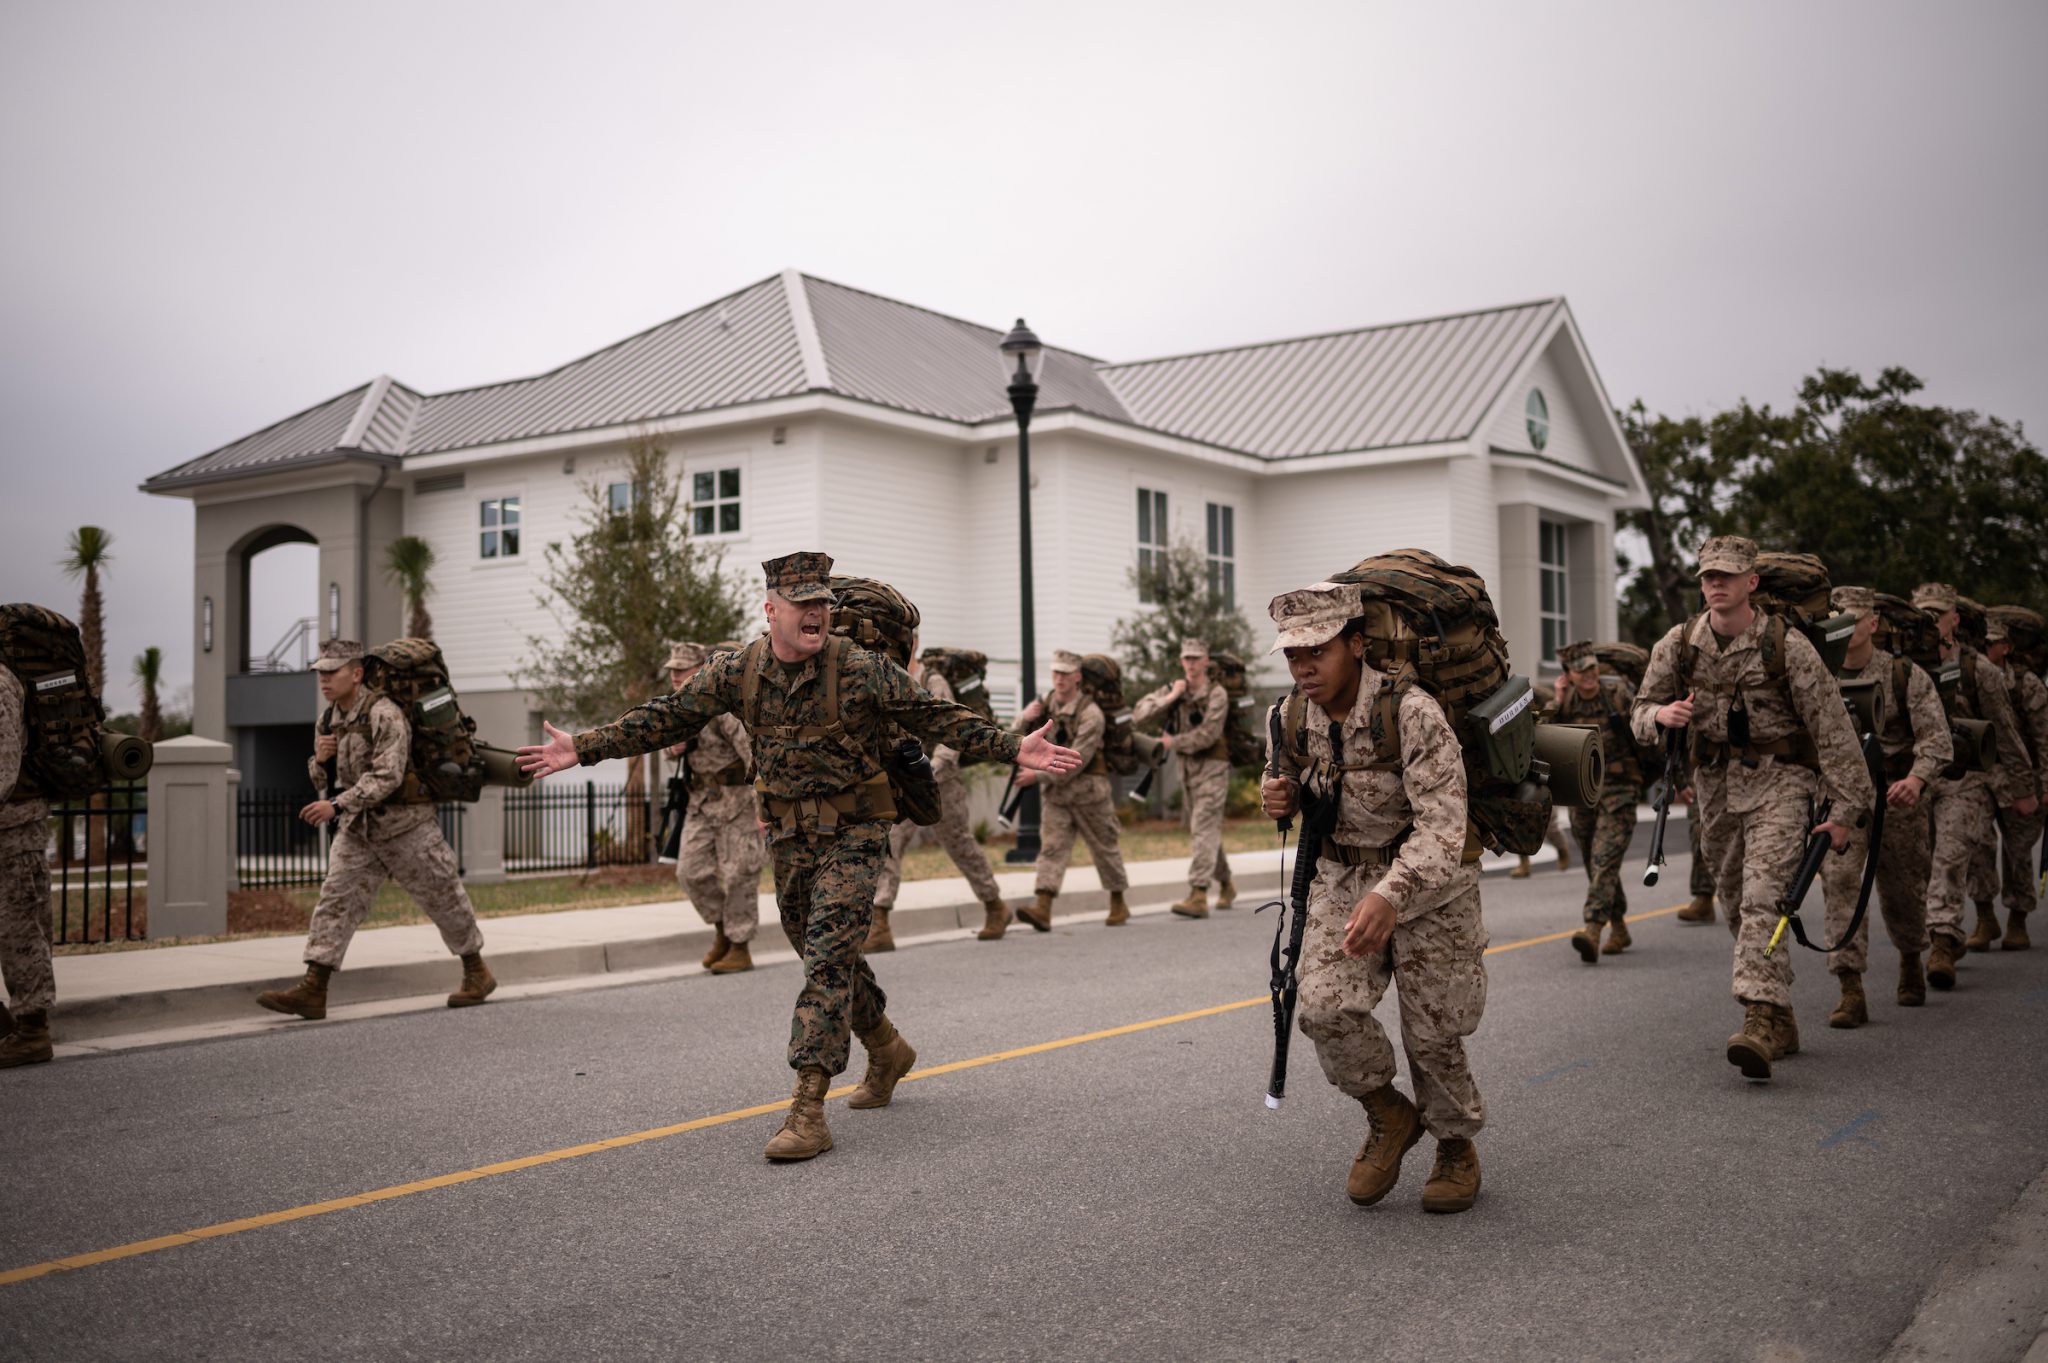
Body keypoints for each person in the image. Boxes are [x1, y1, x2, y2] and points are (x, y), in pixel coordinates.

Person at [516, 553, 1081, 1163]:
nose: (816, 612)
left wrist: (1012, 746)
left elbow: (938, 717)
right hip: (788, 835)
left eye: (822, 602)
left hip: (857, 831)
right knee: (818, 950)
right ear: (771, 610)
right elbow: (667, 717)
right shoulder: (738, 671)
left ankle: (808, 1108)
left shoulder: (860, 668)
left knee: (827, 958)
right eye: (802, 603)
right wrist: (585, 747)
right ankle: (887, 1048)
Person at [1262, 582, 1487, 1214]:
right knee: (1321, 1007)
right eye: (1293, 655)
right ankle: (1389, 1114)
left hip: (1430, 889)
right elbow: (1286, 779)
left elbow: (1444, 829)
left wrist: (1391, 895)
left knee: (1433, 1033)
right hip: (1341, 878)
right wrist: (1277, 797)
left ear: (1357, 646)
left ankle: (1455, 1144)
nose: (1304, 667)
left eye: (1318, 651)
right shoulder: (1287, 716)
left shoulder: (1412, 713)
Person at [1631, 538, 1872, 1080]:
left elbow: (1834, 733)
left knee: (1765, 896)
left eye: (1728, 575)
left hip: (1780, 781)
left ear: (1751, 582)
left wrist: (1844, 811)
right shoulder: (1679, 644)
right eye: (1708, 576)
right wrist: (1659, 717)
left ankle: (1759, 1017)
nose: (1717, 583)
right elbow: (1639, 711)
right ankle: (1781, 1017)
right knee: (1735, 900)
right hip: (1714, 787)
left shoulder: (1786, 646)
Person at [257, 639, 496, 1021]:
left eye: (332, 671)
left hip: (407, 825)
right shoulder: (328, 720)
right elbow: (320, 779)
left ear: (356, 674)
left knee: (444, 898)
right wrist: (320, 759)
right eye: (320, 672)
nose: (324, 679)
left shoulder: (386, 714)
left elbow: (388, 776)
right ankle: (314, 988)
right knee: (335, 900)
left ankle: (476, 971)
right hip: (359, 829)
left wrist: (337, 805)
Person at [1817, 587, 1950, 1024]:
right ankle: (1850, 988)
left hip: (1896, 793)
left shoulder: (1903, 674)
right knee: (1839, 881)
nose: (1843, 627)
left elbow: (1937, 738)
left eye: (1852, 619)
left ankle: (1911, 958)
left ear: (1873, 624)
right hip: (1842, 797)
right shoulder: (1818, 673)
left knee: (1903, 888)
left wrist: (1917, 778)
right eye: (1835, 619)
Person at [1913, 585, 2035, 985]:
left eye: (1938, 613)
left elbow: (2007, 732)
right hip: (1917, 779)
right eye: (1923, 613)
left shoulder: (1978, 669)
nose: (1930, 620)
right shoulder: (1905, 665)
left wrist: (2024, 787)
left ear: (1955, 619)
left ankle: (1943, 942)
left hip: (1966, 779)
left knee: (1951, 857)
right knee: (1920, 864)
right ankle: (1935, 935)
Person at [869, 637, 1009, 947]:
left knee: (959, 845)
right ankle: (880, 922)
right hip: (903, 781)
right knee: (890, 842)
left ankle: (994, 905)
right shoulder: (887, 678)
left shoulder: (933, 682)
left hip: (941, 782)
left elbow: (951, 731)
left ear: (915, 641)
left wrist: (932, 769)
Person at [664, 640, 765, 975]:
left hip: (736, 802)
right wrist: (672, 749)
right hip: (701, 803)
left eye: (683, 669)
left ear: (701, 669)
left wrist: (763, 805)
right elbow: (664, 746)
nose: (676, 675)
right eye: (673, 670)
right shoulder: (678, 708)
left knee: (739, 874)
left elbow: (753, 756)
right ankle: (723, 930)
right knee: (690, 872)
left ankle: (739, 946)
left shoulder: (722, 709)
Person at [1013, 650, 1131, 931]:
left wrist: (1036, 776)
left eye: (1065, 674)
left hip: (1090, 795)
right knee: (1051, 849)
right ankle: (1043, 907)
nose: (1059, 679)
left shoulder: (1092, 714)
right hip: (1058, 797)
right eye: (1056, 672)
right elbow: (1017, 738)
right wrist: (1023, 718)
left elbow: (1076, 761)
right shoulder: (1045, 705)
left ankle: (1118, 902)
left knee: (1105, 848)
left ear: (1077, 677)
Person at [1552, 642, 1646, 963]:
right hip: (1582, 793)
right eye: (1581, 671)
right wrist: (1557, 701)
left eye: (1592, 667)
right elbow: (1545, 736)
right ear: (1569, 675)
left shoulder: (1617, 696)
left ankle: (1592, 928)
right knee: (1595, 861)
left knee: (1604, 858)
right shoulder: (1566, 702)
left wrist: (1678, 781)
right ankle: (1619, 926)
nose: (1589, 674)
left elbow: (1647, 734)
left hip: (1621, 788)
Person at [1134, 639, 1235, 918]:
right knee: (1204, 828)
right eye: (1187, 658)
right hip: (1187, 769)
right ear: (1181, 661)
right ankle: (1226, 883)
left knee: (1202, 827)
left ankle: (1198, 894)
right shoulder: (1174, 689)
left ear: (1206, 661)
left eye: (1196, 658)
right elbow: (1139, 715)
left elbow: (1208, 735)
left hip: (1212, 766)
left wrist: (1173, 742)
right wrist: (1170, 698)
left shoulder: (1217, 694)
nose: (1191, 663)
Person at [0, 658, 54, 1067]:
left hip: (14, 828)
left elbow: (3, 766)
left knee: (20, 931)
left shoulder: (0, 683)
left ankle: (32, 1030)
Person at [1980, 616, 2046, 951]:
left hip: (2021, 776)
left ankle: (2018, 918)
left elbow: (2044, 737)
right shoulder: (1971, 677)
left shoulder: (2026, 684)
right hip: (1982, 774)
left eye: (1990, 644)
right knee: (1976, 842)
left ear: (2005, 647)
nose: (1984, 650)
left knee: (2018, 850)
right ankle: (1984, 915)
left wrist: (2045, 783)